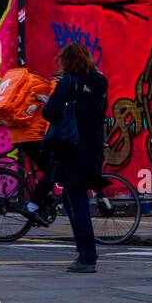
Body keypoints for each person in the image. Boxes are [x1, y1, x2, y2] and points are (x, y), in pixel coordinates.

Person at [40, 42, 109, 273]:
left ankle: (87, 257)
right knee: (74, 203)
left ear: (68, 61)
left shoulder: (69, 82)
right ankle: (84, 254)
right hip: (93, 149)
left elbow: (50, 112)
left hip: (71, 150)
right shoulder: (99, 84)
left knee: (77, 204)